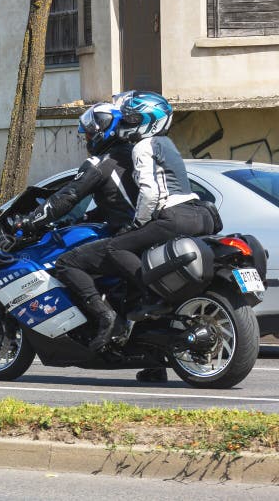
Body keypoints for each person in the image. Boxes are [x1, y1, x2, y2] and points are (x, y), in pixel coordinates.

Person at [101, 91, 218, 381]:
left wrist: (137, 223)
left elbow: (151, 192)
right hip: (198, 214)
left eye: (131, 119)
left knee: (116, 248)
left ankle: (152, 295)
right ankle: (156, 359)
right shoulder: (168, 143)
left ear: (148, 121)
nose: (126, 123)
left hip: (171, 215)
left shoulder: (143, 146)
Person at [17, 102, 139, 351]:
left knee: (66, 263)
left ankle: (105, 316)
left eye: (90, 134)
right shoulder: (133, 156)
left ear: (103, 132)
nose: (87, 140)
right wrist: (81, 219)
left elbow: (68, 196)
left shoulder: (101, 164)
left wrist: (32, 219)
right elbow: (116, 202)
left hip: (128, 234)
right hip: (148, 229)